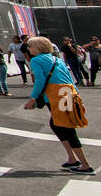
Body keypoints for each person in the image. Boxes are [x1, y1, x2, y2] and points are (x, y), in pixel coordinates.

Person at [22, 36, 93, 174]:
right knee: (56, 124)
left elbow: (40, 80)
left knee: (67, 129)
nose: (28, 49)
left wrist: (33, 98)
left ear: (36, 48)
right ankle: (72, 158)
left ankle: (85, 165)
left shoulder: (36, 60)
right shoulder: (57, 59)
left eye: (30, 47)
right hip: (67, 93)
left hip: (57, 96)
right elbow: (68, 78)